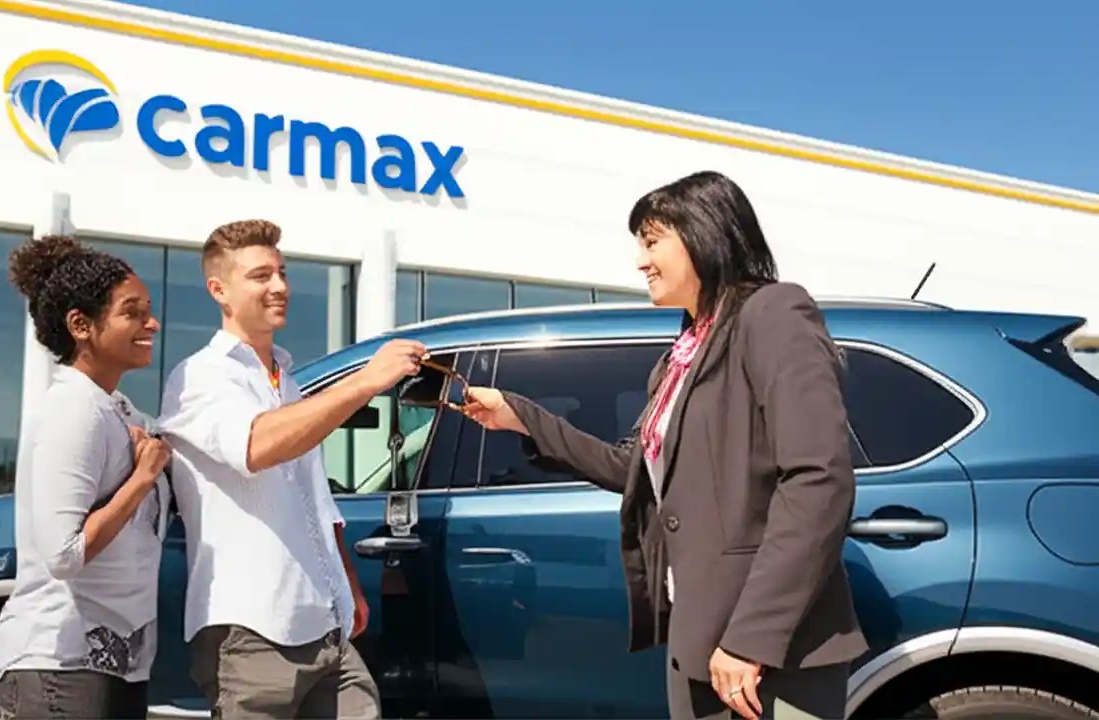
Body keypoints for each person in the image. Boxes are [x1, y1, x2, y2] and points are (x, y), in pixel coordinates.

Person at [460, 171, 868, 719]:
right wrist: (523, 419)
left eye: (652, 240)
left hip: (769, 653)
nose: (639, 261)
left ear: (705, 233)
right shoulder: (681, 354)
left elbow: (819, 479)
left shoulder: (772, 314)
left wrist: (751, 637)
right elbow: (634, 466)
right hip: (700, 635)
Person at [156, 219, 425, 719]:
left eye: (281, 272)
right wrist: (365, 383)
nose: (279, 286)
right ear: (219, 290)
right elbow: (256, 445)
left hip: (325, 622)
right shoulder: (199, 376)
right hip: (253, 629)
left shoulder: (286, 378)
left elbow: (313, 497)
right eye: (260, 276)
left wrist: (345, 584)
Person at [0, 235, 172, 720]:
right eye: (133, 312)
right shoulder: (73, 410)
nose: (152, 323)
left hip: (113, 665)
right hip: (59, 665)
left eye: (148, 309)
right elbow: (64, 555)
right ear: (81, 325)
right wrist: (141, 480)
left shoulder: (116, 409)